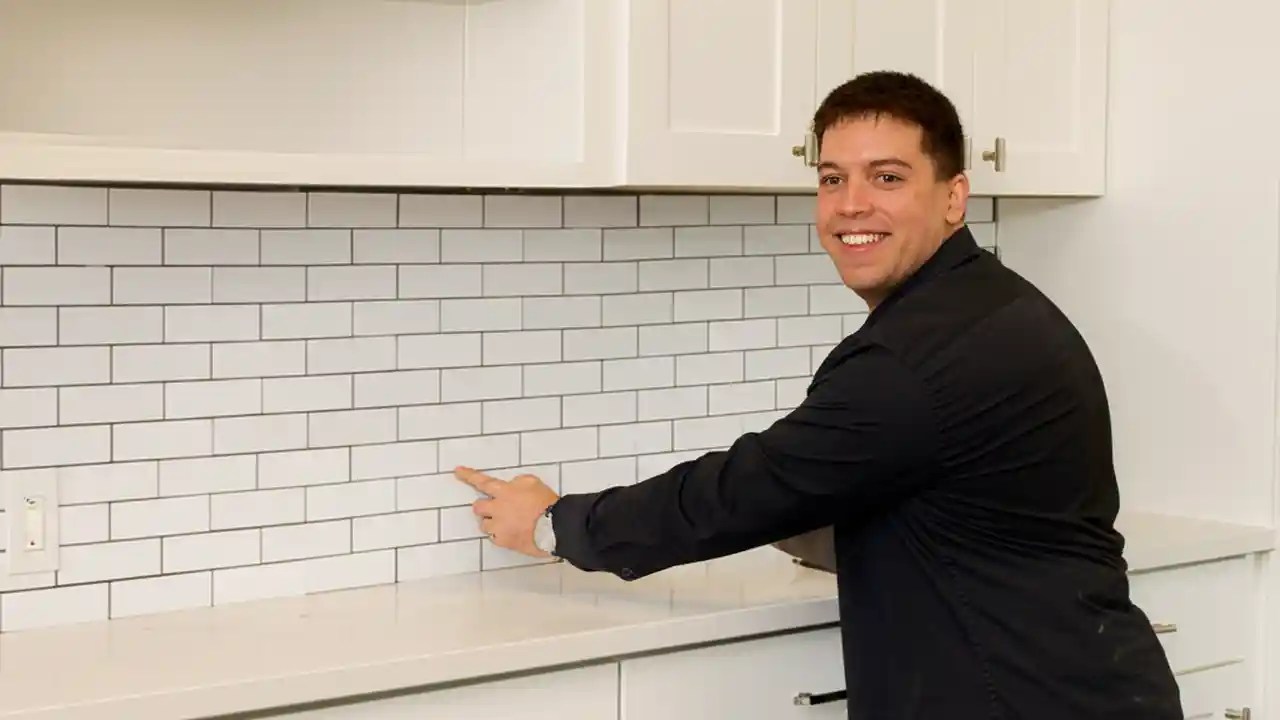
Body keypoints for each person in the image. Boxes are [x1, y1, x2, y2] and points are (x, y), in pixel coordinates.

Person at [454, 70, 1182, 719]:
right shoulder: (993, 305)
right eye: (833, 178)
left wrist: (555, 524)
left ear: (954, 197)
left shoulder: (914, 357)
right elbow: (956, 502)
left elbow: (739, 492)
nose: (850, 206)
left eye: (887, 178)